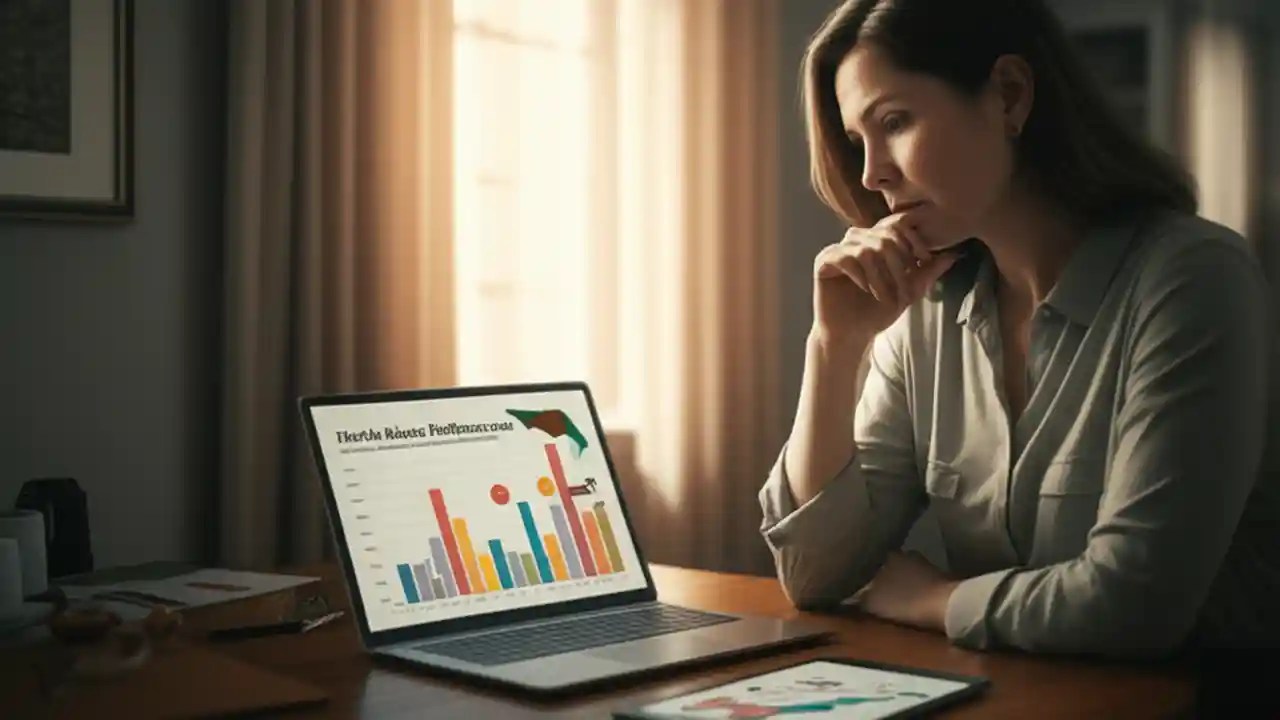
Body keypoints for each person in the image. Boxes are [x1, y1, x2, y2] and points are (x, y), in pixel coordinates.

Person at [758, 0, 1280, 661]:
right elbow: (814, 576)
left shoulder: (1191, 280)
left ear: (1008, 96)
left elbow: (1134, 605)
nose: (870, 175)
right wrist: (834, 348)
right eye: (859, 141)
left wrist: (931, 598)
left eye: (894, 122)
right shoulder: (925, 316)